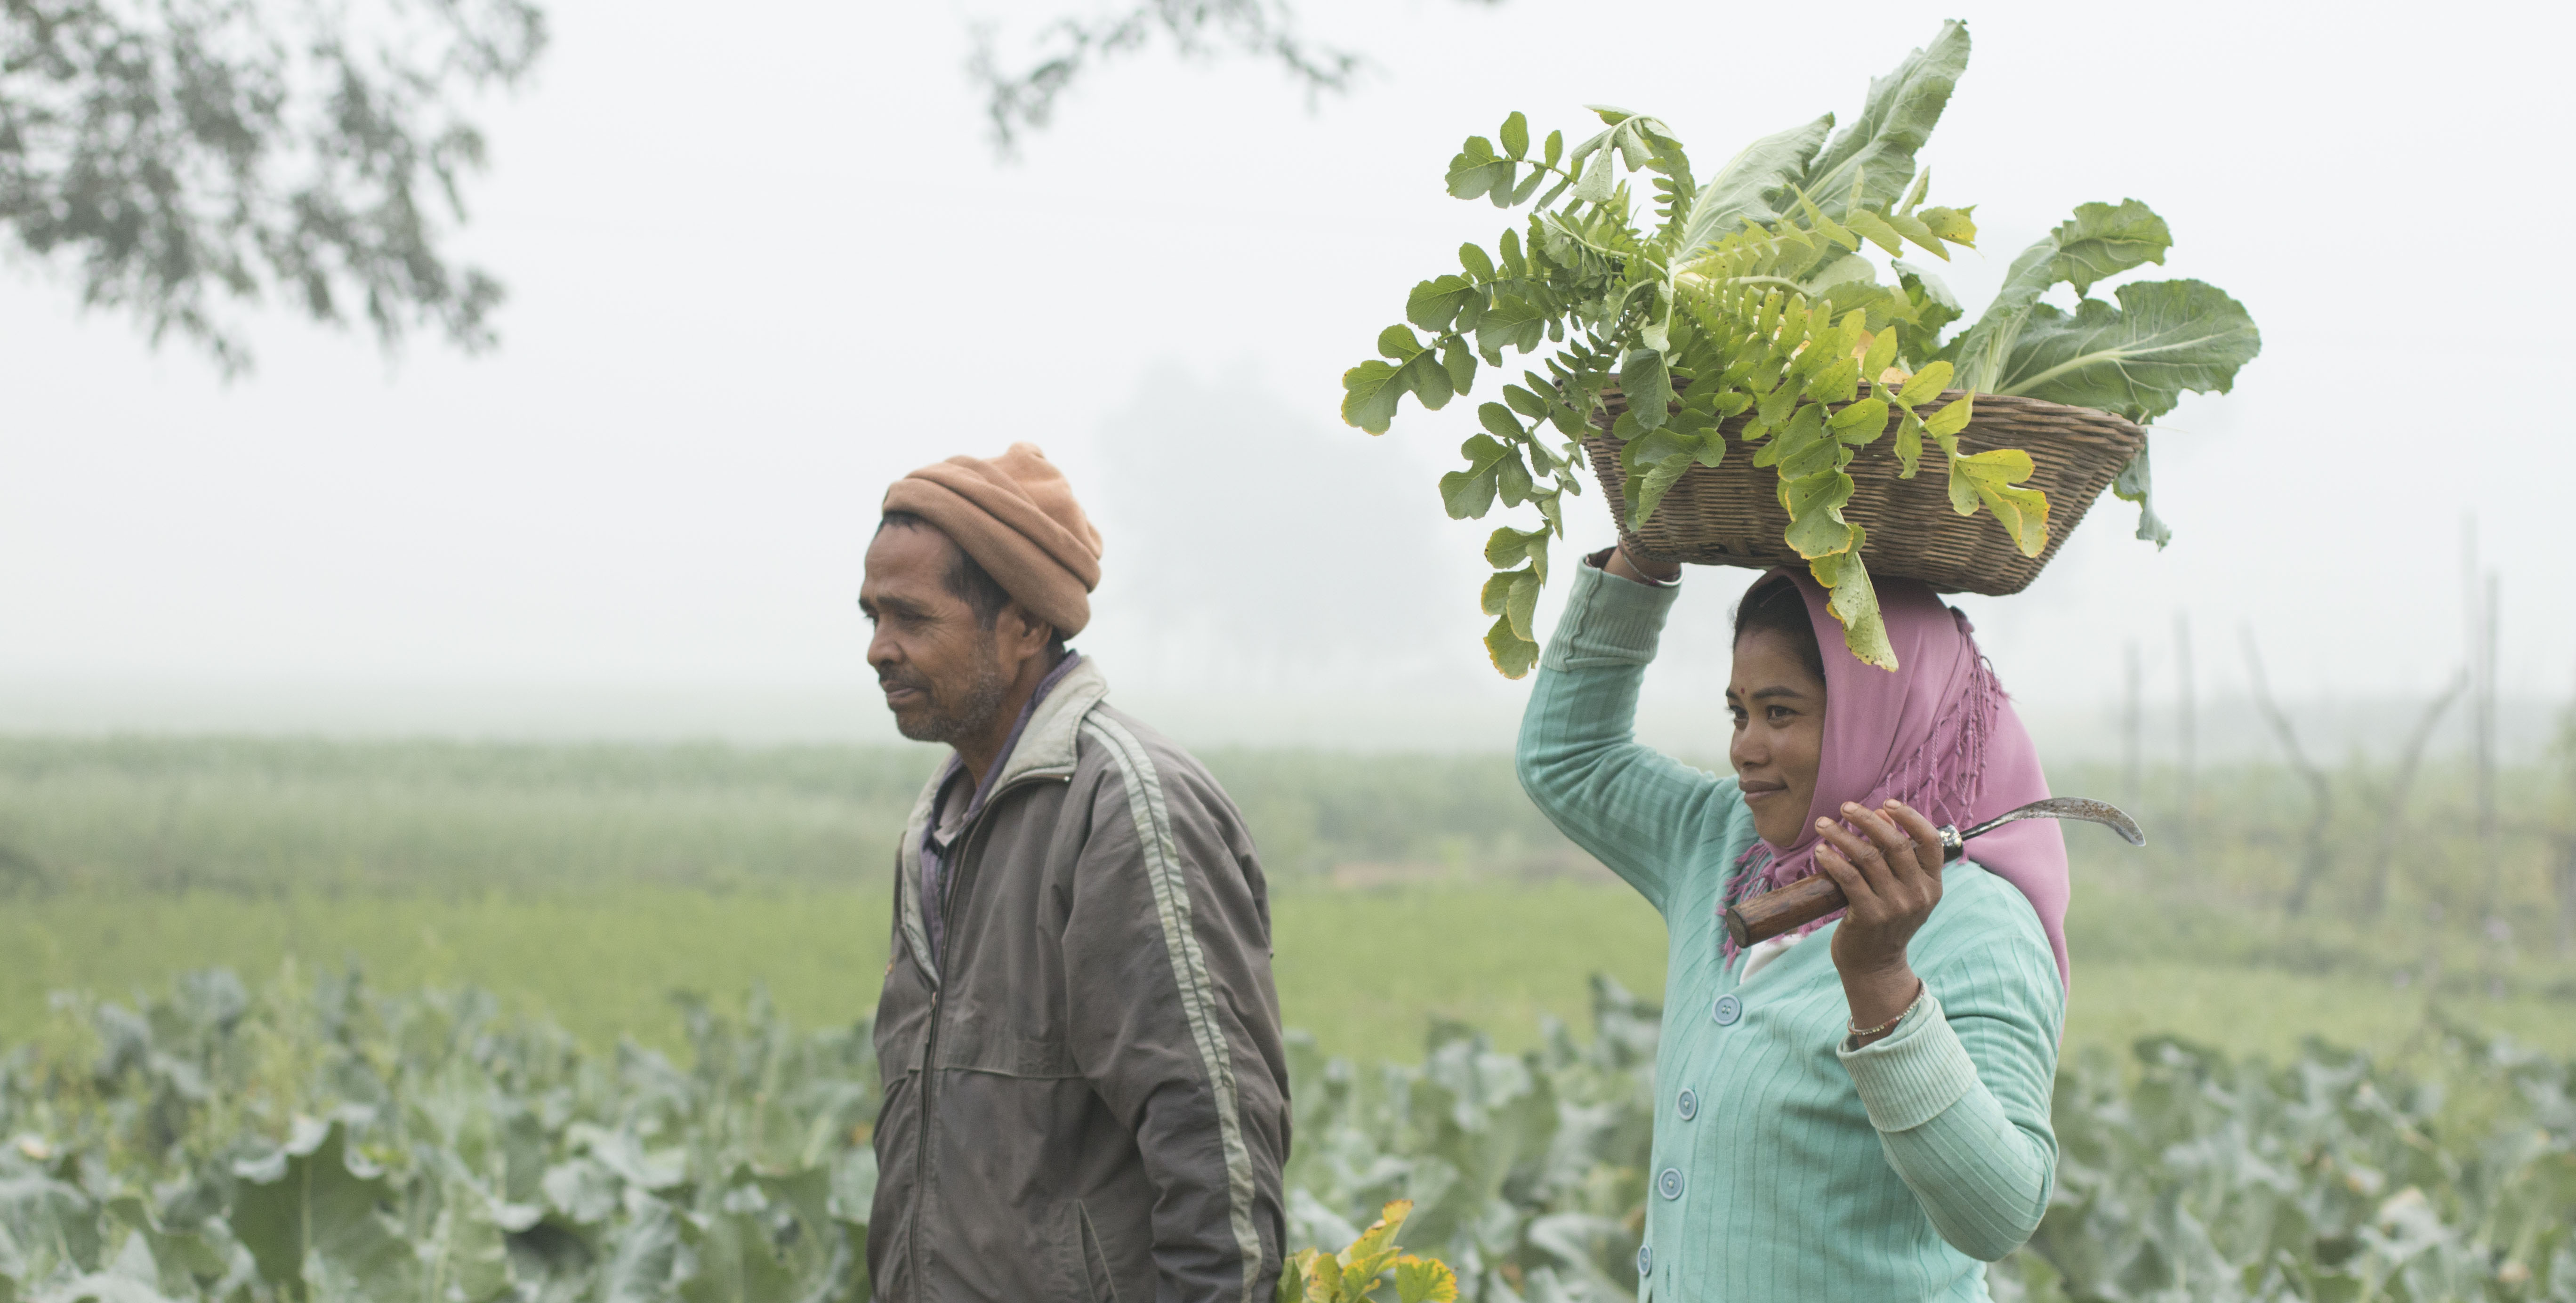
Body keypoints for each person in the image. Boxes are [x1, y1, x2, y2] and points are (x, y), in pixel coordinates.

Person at [1516, 541, 2069, 1301]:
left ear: (1882, 714)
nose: (1746, 749)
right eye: (1739, 713)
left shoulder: (1980, 925)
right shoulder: (1726, 843)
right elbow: (1569, 759)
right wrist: (1641, 562)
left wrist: (1881, 983)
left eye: (1782, 713)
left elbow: (2000, 1213)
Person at [861, 443, 1288, 1303]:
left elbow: (1214, 1147)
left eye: (911, 618)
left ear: (1023, 626)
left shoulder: (1127, 808)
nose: (879, 649)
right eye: (871, 616)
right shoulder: (940, 824)